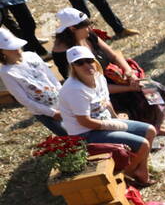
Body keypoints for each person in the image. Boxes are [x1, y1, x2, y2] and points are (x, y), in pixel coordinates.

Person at [51, 7, 165, 132]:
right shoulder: (63, 54)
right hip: (101, 93)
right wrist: (129, 88)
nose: (90, 29)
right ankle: (146, 130)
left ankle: (155, 126)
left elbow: (114, 55)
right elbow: (87, 86)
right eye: (86, 26)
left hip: (119, 78)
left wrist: (130, 74)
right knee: (136, 98)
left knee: (152, 88)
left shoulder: (89, 35)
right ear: (72, 28)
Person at [57, 44, 155, 184]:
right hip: (86, 133)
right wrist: (112, 125)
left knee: (150, 131)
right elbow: (85, 122)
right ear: (73, 67)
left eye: (89, 60)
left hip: (105, 123)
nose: (86, 65)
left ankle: (138, 169)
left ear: (95, 60)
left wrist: (115, 119)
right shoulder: (74, 90)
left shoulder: (99, 77)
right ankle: (128, 172)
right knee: (143, 144)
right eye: (79, 63)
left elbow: (106, 103)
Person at [0, 25, 64, 133]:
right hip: (46, 113)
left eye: (17, 46)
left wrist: (64, 96)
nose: (17, 50)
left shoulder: (31, 56)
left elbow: (51, 78)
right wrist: (52, 113)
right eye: (11, 49)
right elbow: (24, 99)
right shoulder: (7, 72)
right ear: (2, 52)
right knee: (70, 137)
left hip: (61, 102)